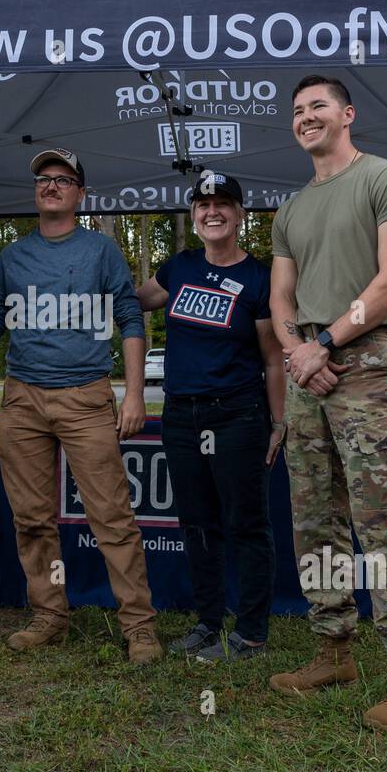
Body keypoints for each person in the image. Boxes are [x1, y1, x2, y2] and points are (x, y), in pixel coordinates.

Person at [0, 147, 162, 665]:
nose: (51, 186)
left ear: (81, 193)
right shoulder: (14, 257)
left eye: (63, 179)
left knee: (112, 517)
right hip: (23, 400)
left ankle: (139, 627)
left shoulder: (102, 251)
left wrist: (131, 393)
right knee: (32, 519)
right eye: (43, 180)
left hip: (86, 398)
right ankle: (49, 616)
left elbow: (129, 319)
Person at [267, 74, 387, 732]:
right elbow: (281, 299)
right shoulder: (291, 209)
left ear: (347, 114)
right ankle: (332, 651)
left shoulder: (386, 178)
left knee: (381, 526)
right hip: (308, 374)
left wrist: (328, 343)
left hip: (364, 368)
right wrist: (298, 354)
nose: (306, 116)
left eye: (318, 106)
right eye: (297, 110)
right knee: (316, 525)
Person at [137, 171, 285, 663]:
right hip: (181, 413)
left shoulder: (258, 277)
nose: (212, 212)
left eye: (223, 204)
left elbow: (271, 359)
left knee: (246, 523)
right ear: (193, 215)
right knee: (197, 523)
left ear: (240, 215)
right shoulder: (178, 267)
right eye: (202, 205)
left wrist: (278, 421)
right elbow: (132, 300)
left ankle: (251, 634)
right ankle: (206, 621)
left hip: (238, 414)